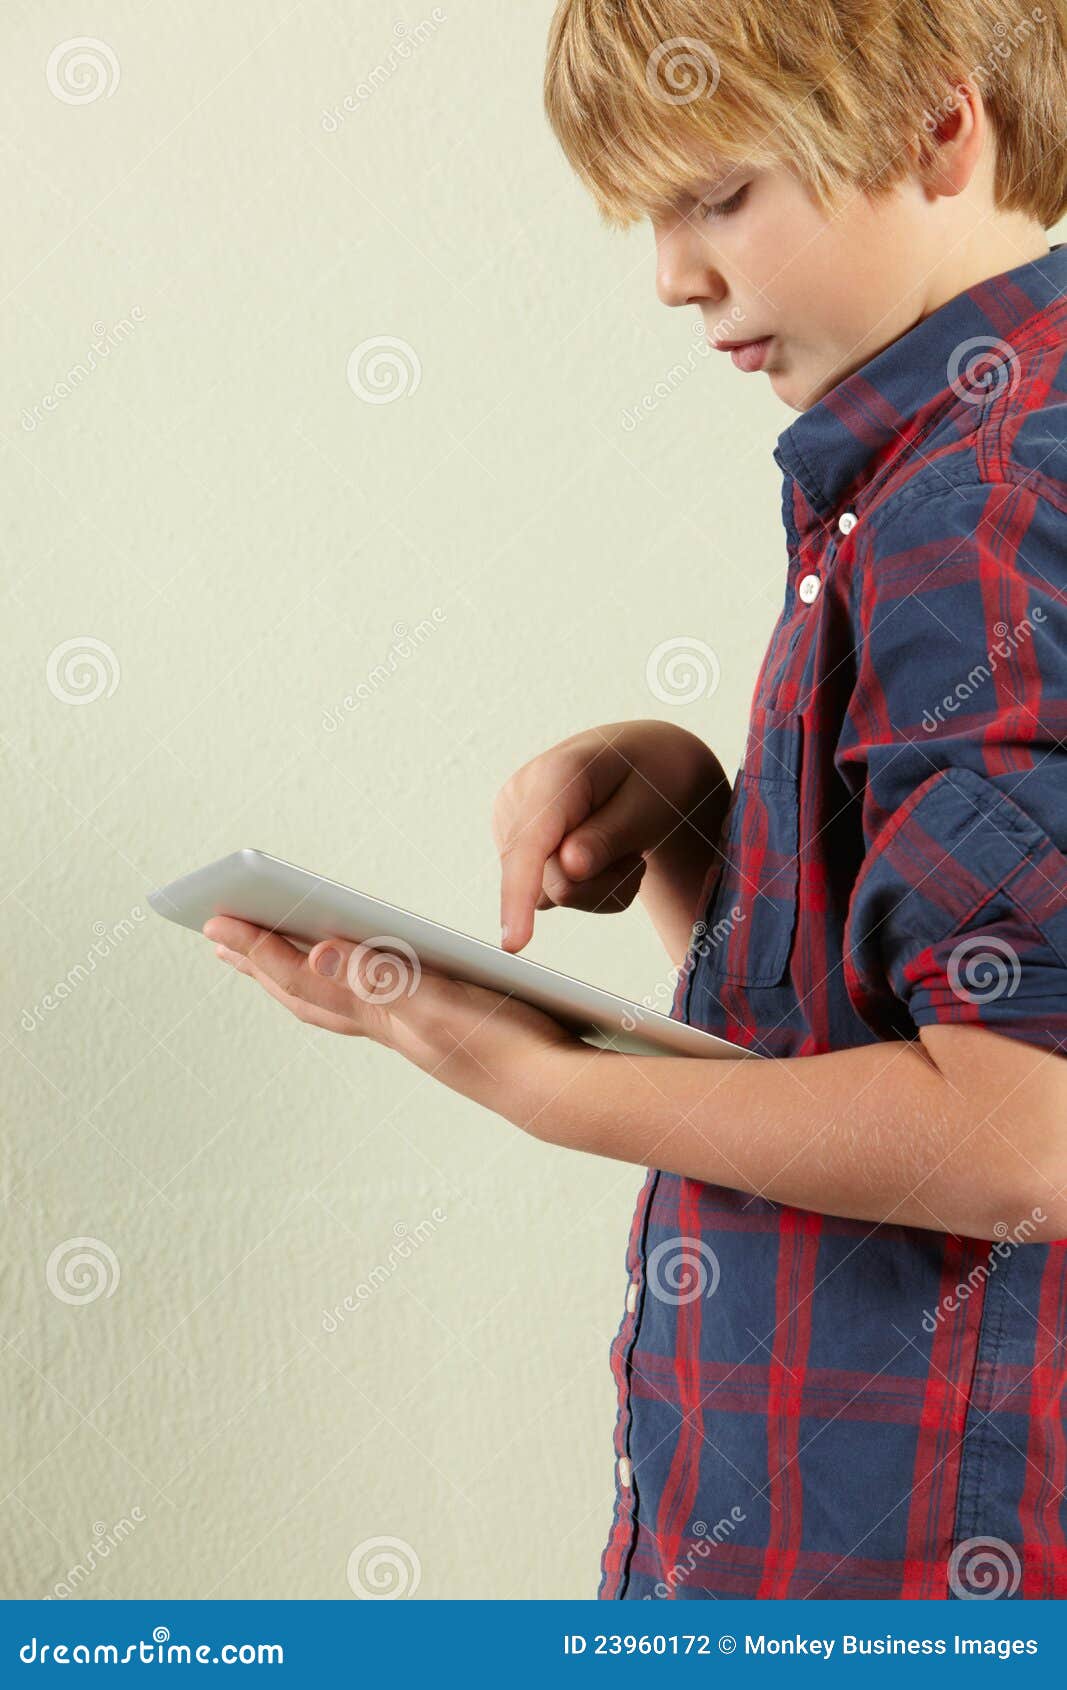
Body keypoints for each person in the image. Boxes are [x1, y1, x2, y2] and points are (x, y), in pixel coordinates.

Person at [203, 0, 1067, 1600]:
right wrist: (698, 829)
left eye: (718, 194)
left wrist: (541, 1082)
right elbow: (876, 1040)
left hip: (911, 1564)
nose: (674, 275)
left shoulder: (991, 505)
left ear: (944, 131)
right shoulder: (920, 476)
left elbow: (1024, 1129)